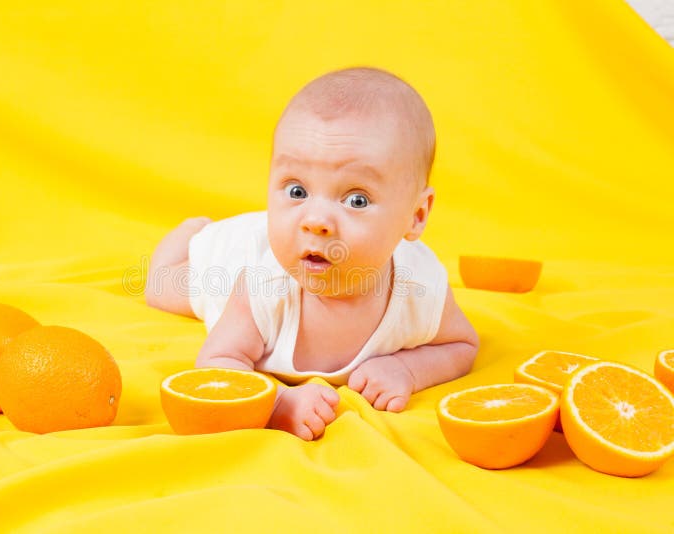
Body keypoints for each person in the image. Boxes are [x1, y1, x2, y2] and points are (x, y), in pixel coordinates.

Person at [145, 66, 479, 441]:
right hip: (234, 252)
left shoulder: (420, 286)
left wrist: (407, 369)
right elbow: (217, 363)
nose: (316, 220)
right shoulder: (259, 286)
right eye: (297, 190)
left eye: (356, 199)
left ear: (415, 216)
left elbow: (462, 345)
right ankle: (193, 230)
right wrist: (277, 404)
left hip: (283, 244)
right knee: (161, 288)